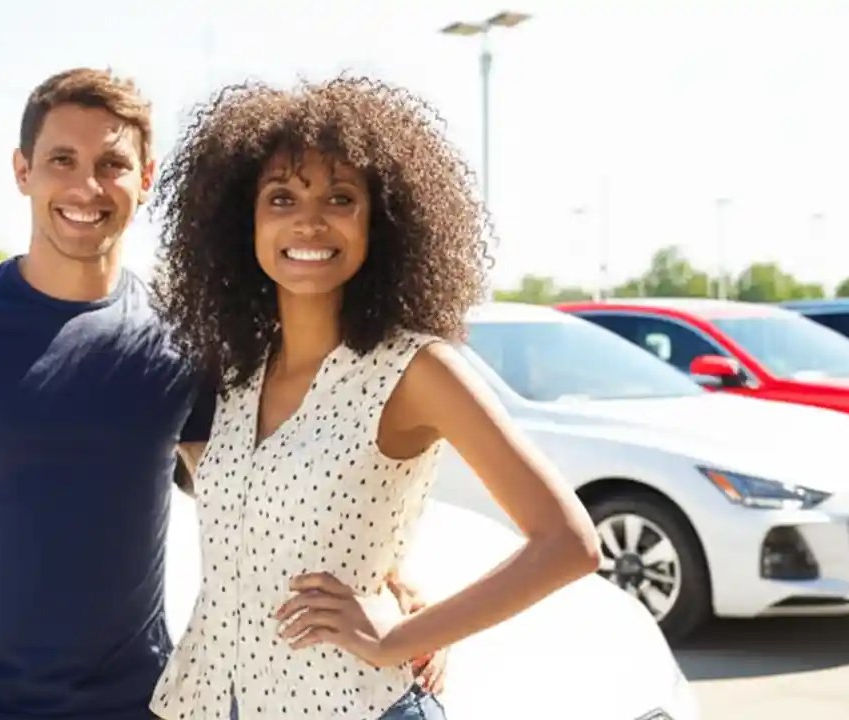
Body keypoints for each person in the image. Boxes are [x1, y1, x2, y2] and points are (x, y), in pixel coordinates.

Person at [0, 67, 439, 720]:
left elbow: (259, 503)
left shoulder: (187, 340)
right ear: (23, 172)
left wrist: (390, 593)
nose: (86, 187)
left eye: (111, 164)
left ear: (146, 179)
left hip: (138, 705)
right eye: (61, 161)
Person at [148, 77, 602, 719]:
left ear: (380, 222)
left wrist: (406, 636)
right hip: (209, 700)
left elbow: (568, 543)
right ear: (243, 223)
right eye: (281, 197)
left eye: (340, 198)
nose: (309, 220)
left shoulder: (416, 370)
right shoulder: (230, 374)